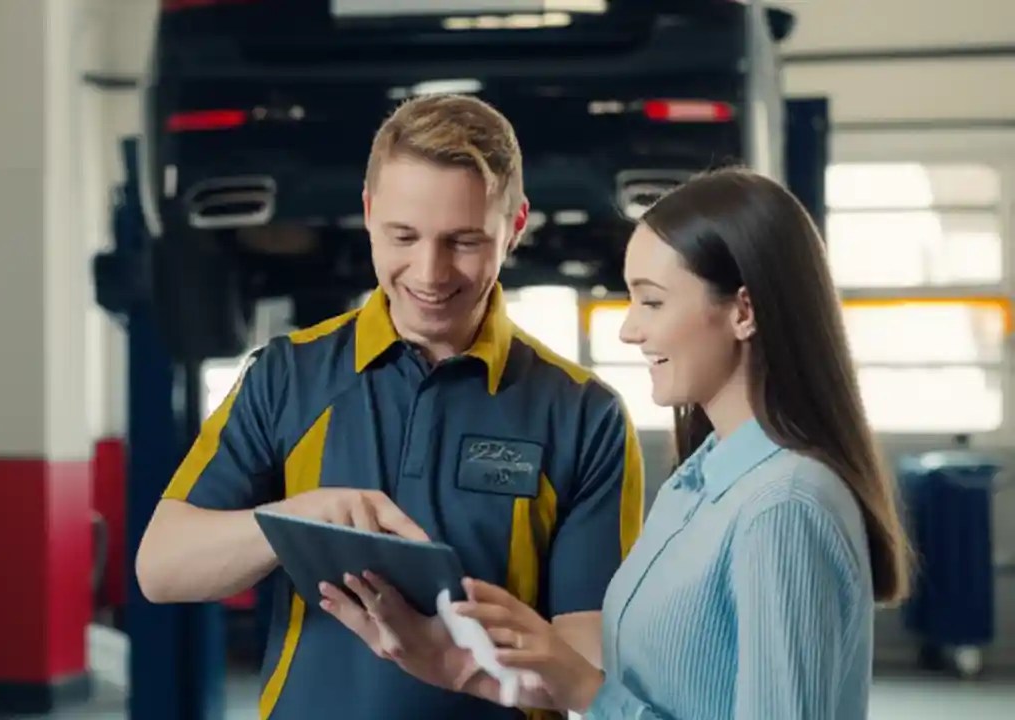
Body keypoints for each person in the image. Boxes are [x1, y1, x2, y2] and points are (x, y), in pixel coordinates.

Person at [135, 93, 646, 719]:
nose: (429, 272)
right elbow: (161, 570)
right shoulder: (286, 376)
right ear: (370, 214)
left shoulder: (584, 416)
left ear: (514, 228)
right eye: (404, 236)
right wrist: (299, 518)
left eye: (463, 241)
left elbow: (588, 663)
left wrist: (467, 659)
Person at [334, 167, 914, 718]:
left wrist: (587, 686)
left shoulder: (783, 506)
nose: (629, 328)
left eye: (653, 301)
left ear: (743, 311)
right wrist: (459, 666)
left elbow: (613, 698)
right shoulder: (700, 482)